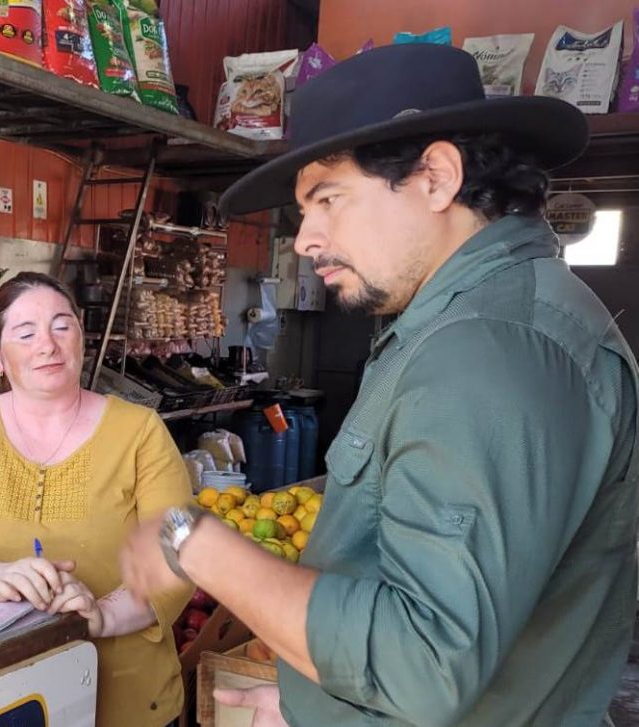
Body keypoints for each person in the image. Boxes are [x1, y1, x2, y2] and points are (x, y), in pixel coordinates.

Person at [118, 44, 639, 727]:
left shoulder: (485, 350)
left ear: (437, 178)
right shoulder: (486, 318)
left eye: (328, 199)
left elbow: (421, 661)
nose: (306, 239)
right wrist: (319, 706)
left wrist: (195, 541)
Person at [0, 272, 193, 726]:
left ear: (81, 339)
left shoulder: (140, 432)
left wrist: (101, 616)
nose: (47, 345)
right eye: (26, 333)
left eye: (61, 326)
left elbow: (177, 553)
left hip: (123, 702)